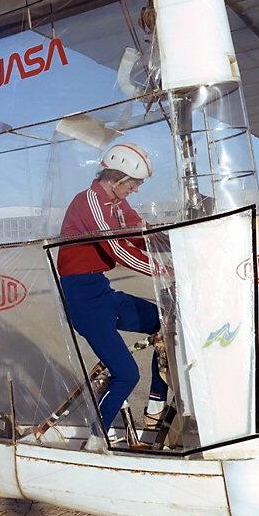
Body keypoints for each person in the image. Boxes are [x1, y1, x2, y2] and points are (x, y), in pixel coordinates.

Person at [57, 143, 168, 440]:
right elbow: (116, 247)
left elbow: (139, 231)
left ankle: (156, 406)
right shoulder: (89, 201)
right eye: (133, 184)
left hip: (103, 291)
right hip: (83, 299)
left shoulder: (117, 204)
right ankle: (98, 437)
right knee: (127, 374)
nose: (135, 190)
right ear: (117, 177)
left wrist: (178, 244)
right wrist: (159, 269)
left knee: (166, 323)